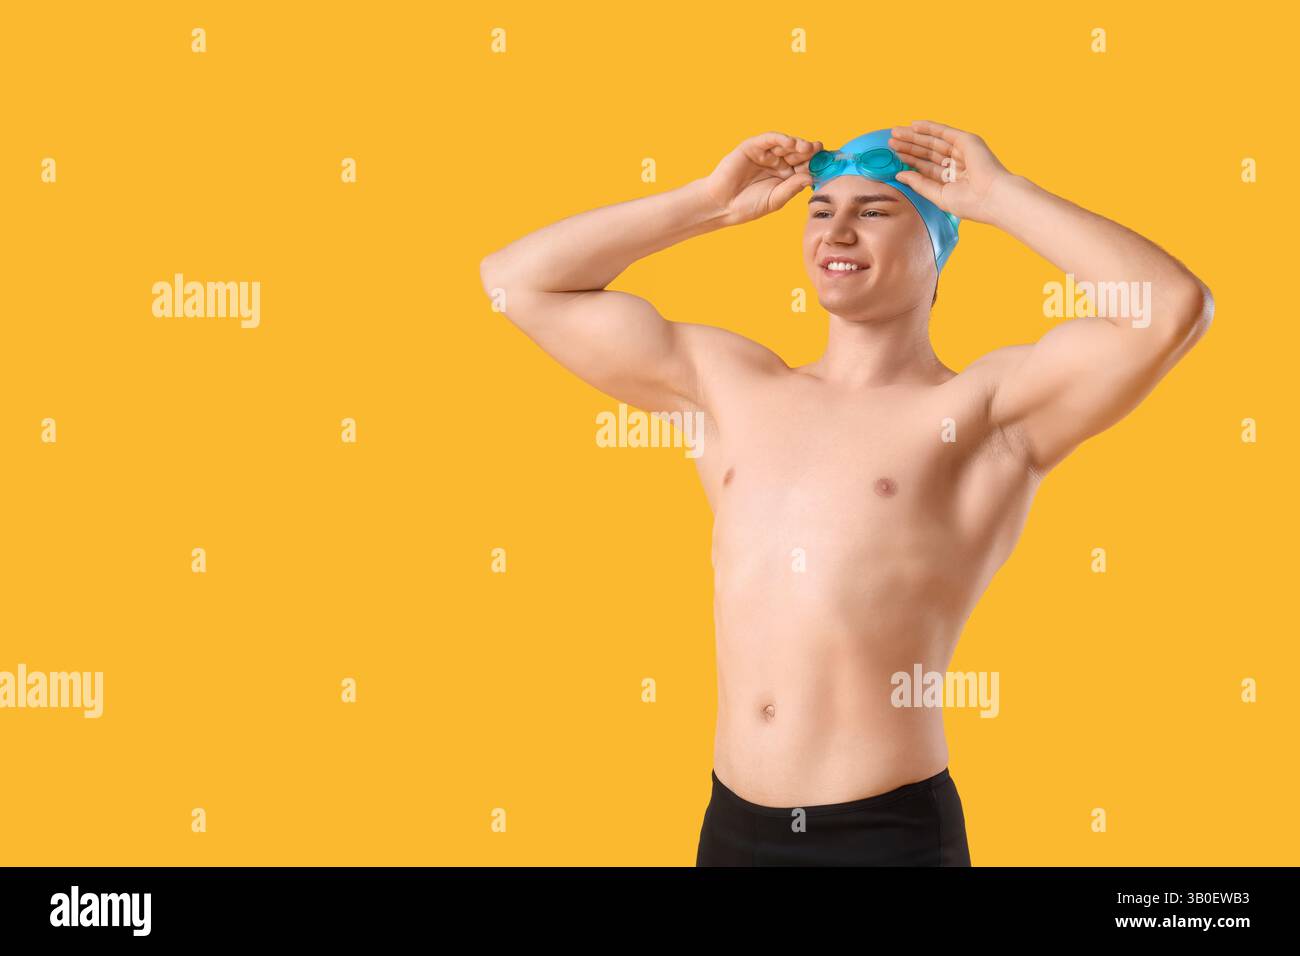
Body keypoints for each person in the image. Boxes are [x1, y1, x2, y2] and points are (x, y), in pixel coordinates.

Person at [478, 121, 1213, 866]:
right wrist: (706, 205)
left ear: (936, 246)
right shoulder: (731, 386)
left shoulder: (982, 413)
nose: (838, 230)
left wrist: (1003, 197)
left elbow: (1170, 307)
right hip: (731, 827)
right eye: (822, 210)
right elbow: (517, 280)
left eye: (874, 211)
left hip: (882, 835)